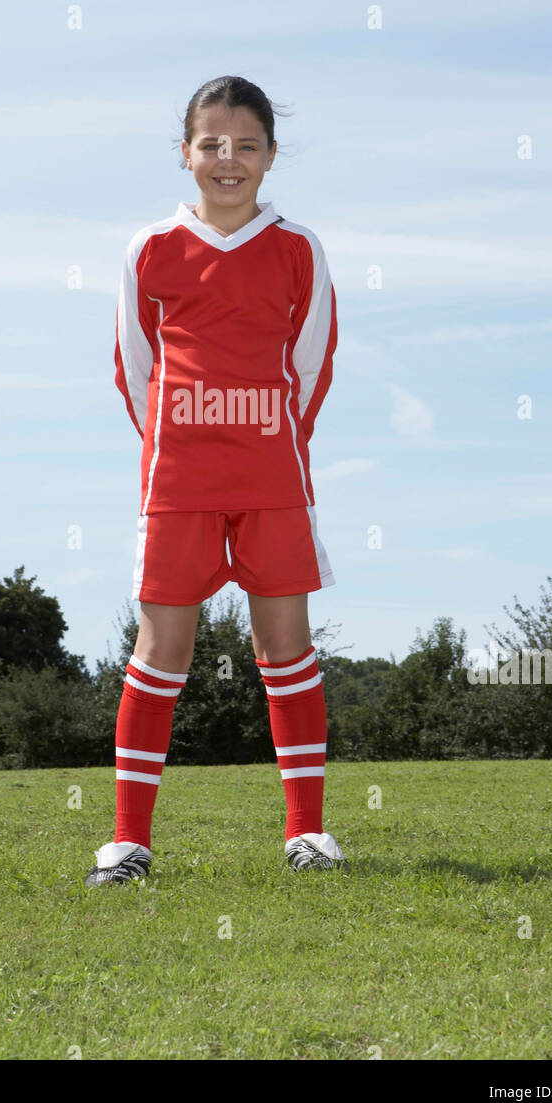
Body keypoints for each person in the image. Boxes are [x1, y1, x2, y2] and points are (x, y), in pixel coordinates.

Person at [85, 75, 348, 885]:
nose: (227, 160)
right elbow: (134, 371)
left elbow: (312, 365)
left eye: (246, 145)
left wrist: (268, 444)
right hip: (178, 482)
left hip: (273, 479)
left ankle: (307, 835)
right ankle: (128, 844)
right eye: (211, 144)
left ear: (270, 155)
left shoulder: (298, 248)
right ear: (186, 153)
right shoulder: (149, 249)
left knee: (287, 650)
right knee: (162, 650)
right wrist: (183, 441)